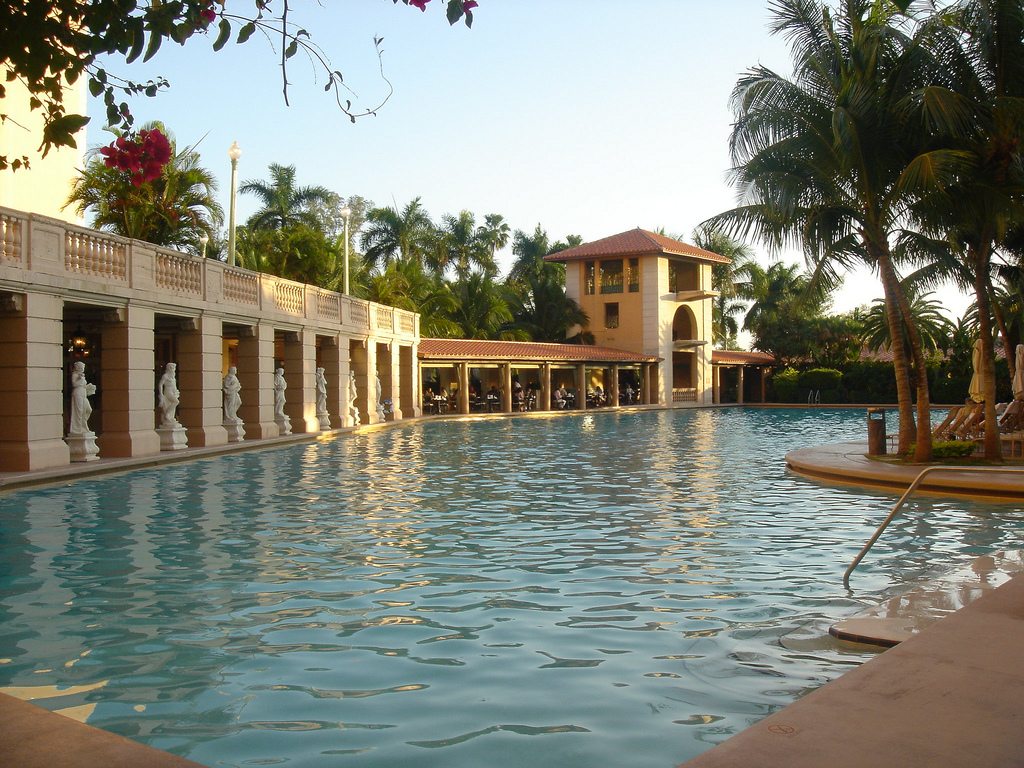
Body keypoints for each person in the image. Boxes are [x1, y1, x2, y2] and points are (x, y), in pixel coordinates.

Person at [69, 361, 96, 435]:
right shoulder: (75, 375)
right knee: (79, 411)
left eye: (83, 367)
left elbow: (82, 385)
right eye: (81, 367)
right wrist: (81, 379)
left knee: (88, 410)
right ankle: (79, 428)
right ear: (77, 367)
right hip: (78, 394)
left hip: (83, 393)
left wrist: (89, 387)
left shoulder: (82, 375)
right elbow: (75, 385)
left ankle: (83, 426)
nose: (83, 369)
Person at [157, 362, 180, 427]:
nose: (172, 369)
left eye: (173, 368)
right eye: (171, 367)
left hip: (173, 392)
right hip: (168, 392)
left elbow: (174, 386)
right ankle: (167, 414)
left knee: (173, 403)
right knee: (176, 401)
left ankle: (170, 416)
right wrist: (161, 394)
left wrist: (176, 391)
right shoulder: (165, 376)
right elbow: (160, 384)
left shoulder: (172, 375)